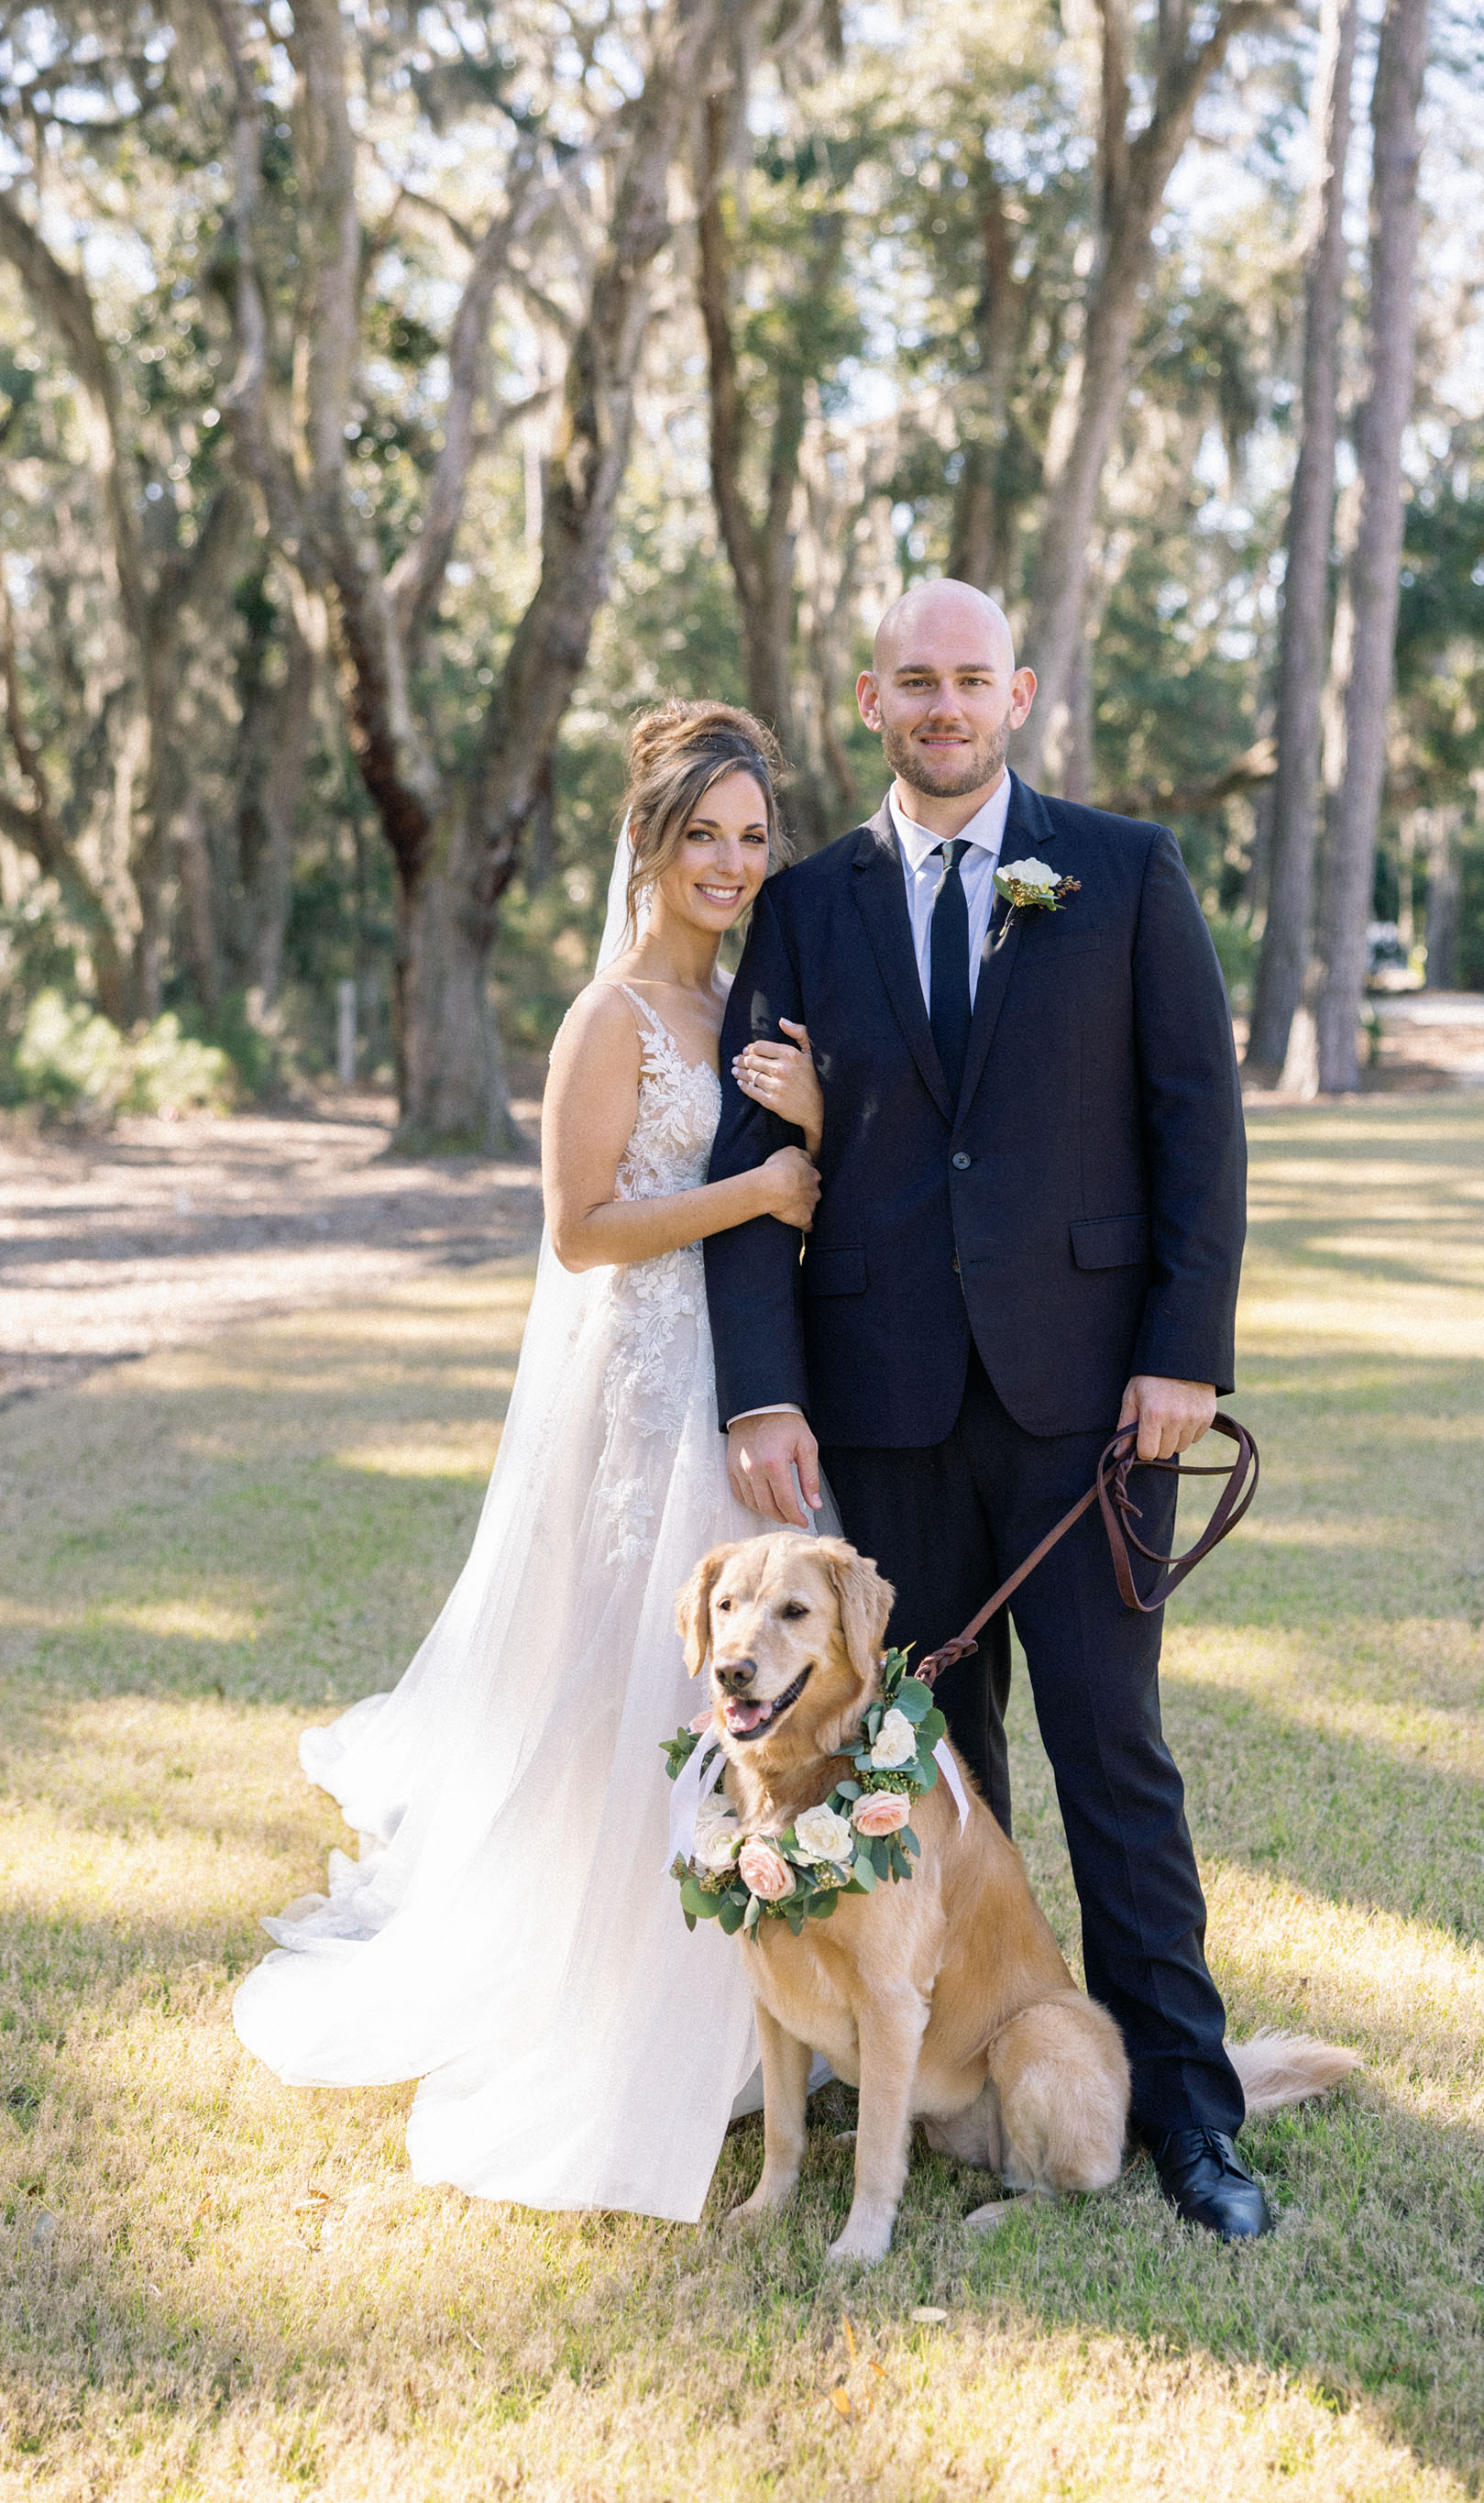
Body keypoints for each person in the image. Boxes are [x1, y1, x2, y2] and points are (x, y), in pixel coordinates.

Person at [705, 581, 1268, 2242]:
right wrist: (763, 1386)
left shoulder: (1131, 871)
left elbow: (1200, 1129)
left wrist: (1184, 1349)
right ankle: (953, 2079)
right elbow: (751, 1165)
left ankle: (1190, 2113)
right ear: (869, 697)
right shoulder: (806, 906)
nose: (943, 706)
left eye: (972, 679)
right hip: (875, 1420)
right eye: (914, 681)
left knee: (1115, 1757)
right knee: (922, 1778)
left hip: (1090, 1412)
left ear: (1017, 694)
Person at [234, 700, 828, 2222]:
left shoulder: (752, 1009)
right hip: (643, 1390)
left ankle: (762, 2005)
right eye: (706, 834)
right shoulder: (609, 1017)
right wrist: (755, 1186)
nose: (733, 863)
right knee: (640, 1688)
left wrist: (803, 1157)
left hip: (751, 1384)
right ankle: (626, 2006)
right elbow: (580, 1229)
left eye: (755, 839)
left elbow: (805, 1194)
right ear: (650, 839)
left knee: (760, 1694)